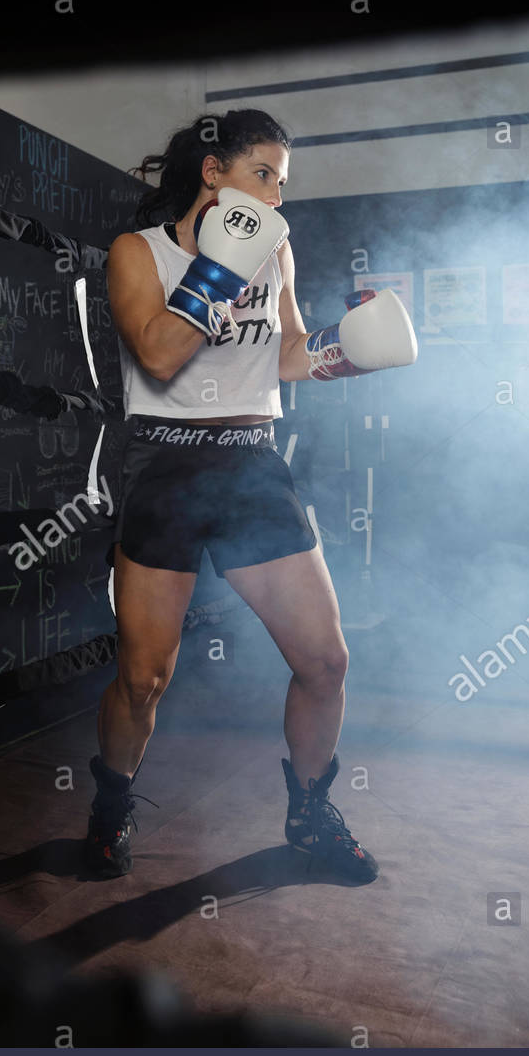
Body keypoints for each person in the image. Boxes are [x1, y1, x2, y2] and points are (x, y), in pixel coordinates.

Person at [84, 109, 417, 884]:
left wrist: (348, 352)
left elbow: (287, 353)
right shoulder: (137, 254)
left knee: (326, 661)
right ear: (213, 173)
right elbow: (161, 355)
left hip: (251, 464)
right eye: (262, 175)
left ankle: (309, 815)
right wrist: (223, 269)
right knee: (143, 678)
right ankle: (109, 806)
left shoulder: (277, 249)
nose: (275, 197)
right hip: (164, 467)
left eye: (281, 182)